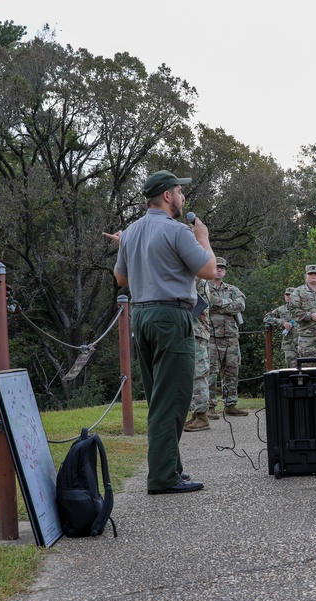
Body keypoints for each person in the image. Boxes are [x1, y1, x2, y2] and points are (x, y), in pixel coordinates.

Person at [105, 170, 213, 494]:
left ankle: (171, 468)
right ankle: (163, 478)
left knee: (158, 398)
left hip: (142, 316)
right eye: (179, 191)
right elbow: (208, 269)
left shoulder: (132, 232)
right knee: (175, 398)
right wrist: (203, 236)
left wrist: (127, 245)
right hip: (171, 316)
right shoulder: (179, 231)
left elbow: (120, 279)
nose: (182, 197)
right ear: (167, 196)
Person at [205, 257, 248, 417]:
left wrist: (220, 305)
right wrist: (228, 305)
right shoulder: (204, 288)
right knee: (210, 372)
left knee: (232, 371)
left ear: (225, 271)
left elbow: (241, 305)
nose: (219, 270)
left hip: (231, 337)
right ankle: (209, 406)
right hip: (211, 337)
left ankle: (231, 404)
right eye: (216, 267)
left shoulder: (233, 289)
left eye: (222, 268)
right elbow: (208, 302)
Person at [184, 277, 213, 432]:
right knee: (190, 375)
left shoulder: (198, 278)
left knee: (198, 373)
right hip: (189, 331)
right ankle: (196, 414)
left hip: (197, 331)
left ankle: (202, 416)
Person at [264, 287, 299, 368]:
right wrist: (281, 322)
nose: (288, 296)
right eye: (286, 294)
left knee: (308, 369)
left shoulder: (302, 308)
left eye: (291, 295)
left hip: (305, 344)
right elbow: (266, 318)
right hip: (290, 344)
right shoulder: (281, 309)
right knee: (292, 370)